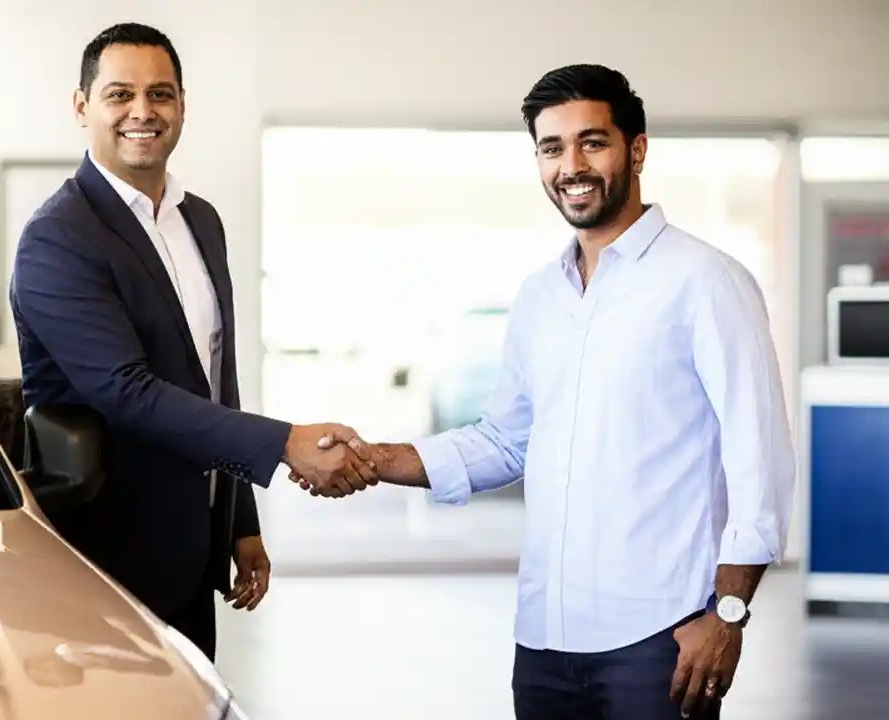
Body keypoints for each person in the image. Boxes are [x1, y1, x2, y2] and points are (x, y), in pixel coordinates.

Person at [300, 64, 795, 719]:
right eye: (551, 147)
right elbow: (504, 440)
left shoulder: (707, 282)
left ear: (636, 149)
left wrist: (727, 615)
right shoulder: (540, 296)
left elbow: (760, 459)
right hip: (544, 641)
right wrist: (372, 457)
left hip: (662, 639)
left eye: (592, 142)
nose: (571, 165)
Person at [9, 22, 374, 660]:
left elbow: (214, 377)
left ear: (182, 106)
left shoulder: (198, 219)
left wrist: (238, 523)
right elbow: (124, 392)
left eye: (161, 94)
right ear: (82, 106)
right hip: (104, 555)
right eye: (119, 94)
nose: (142, 112)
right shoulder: (59, 236)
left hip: (190, 551)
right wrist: (285, 443)